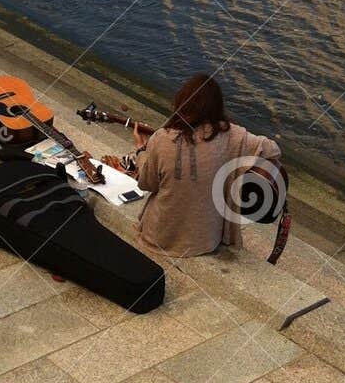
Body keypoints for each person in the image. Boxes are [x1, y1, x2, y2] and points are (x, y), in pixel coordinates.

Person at [110, 73, 282, 258]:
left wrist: (142, 151)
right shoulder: (235, 137)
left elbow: (146, 184)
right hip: (206, 241)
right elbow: (273, 150)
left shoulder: (161, 138)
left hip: (159, 238)